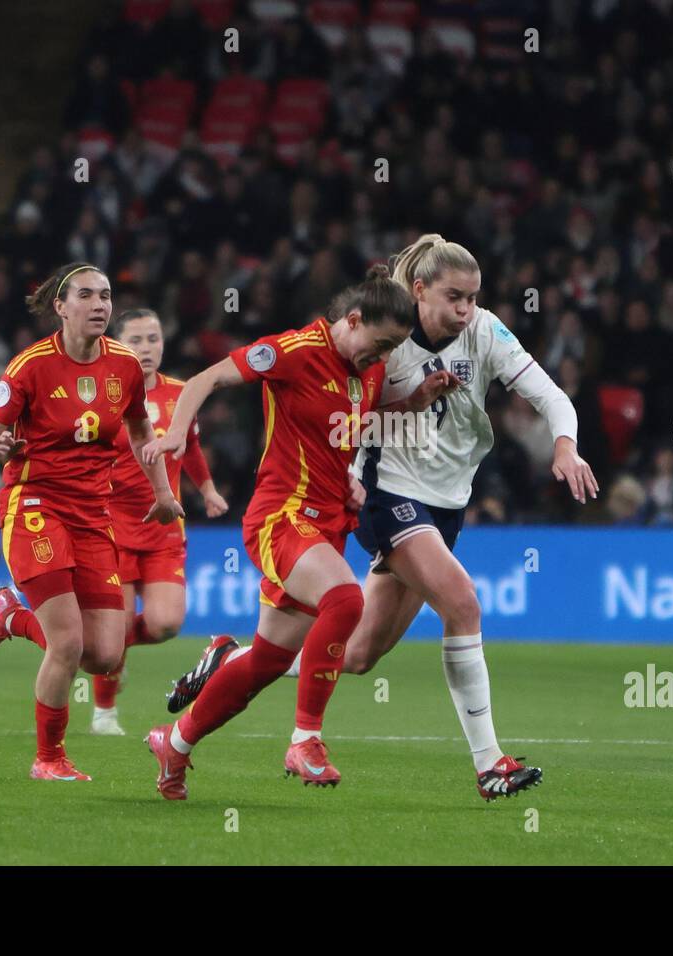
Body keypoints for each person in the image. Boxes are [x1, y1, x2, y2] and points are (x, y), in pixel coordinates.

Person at [167, 235, 599, 801]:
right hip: (389, 494)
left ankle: (232, 659)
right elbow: (327, 402)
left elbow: (550, 395)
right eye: (454, 298)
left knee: (361, 654)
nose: (465, 310)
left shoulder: (484, 331)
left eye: (473, 297)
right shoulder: (378, 341)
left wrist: (564, 445)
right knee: (462, 603)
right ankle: (489, 763)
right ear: (418, 291)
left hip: (447, 500)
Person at [142, 265, 456, 799]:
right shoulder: (293, 350)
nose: (378, 360)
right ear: (352, 320)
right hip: (281, 515)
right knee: (345, 599)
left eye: (388, 352)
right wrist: (176, 432)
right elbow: (205, 379)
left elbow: (352, 424)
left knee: (268, 660)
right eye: (377, 345)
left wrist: (413, 402)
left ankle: (176, 741)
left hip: (329, 522)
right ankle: (305, 740)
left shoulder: (369, 371)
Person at [0, 263, 184, 781]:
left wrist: (162, 493)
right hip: (35, 505)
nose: (100, 305)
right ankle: (49, 758)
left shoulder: (125, 366)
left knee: (105, 656)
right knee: (67, 643)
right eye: (86, 295)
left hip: (93, 513)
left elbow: (139, 431)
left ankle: (11, 618)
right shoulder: (31, 365)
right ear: (61, 307)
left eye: (106, 296)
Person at [90, 308, 229, 736]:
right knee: (116, 622)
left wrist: (206, 490)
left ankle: (106, 653)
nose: (146, 348)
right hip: (111, 527)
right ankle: (104, 712)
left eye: (153, 339)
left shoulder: (180, 393)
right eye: (136, 340)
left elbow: (190, 446)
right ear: (116, 345)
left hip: (164, 527)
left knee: (165, 624)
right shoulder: (101, 395)